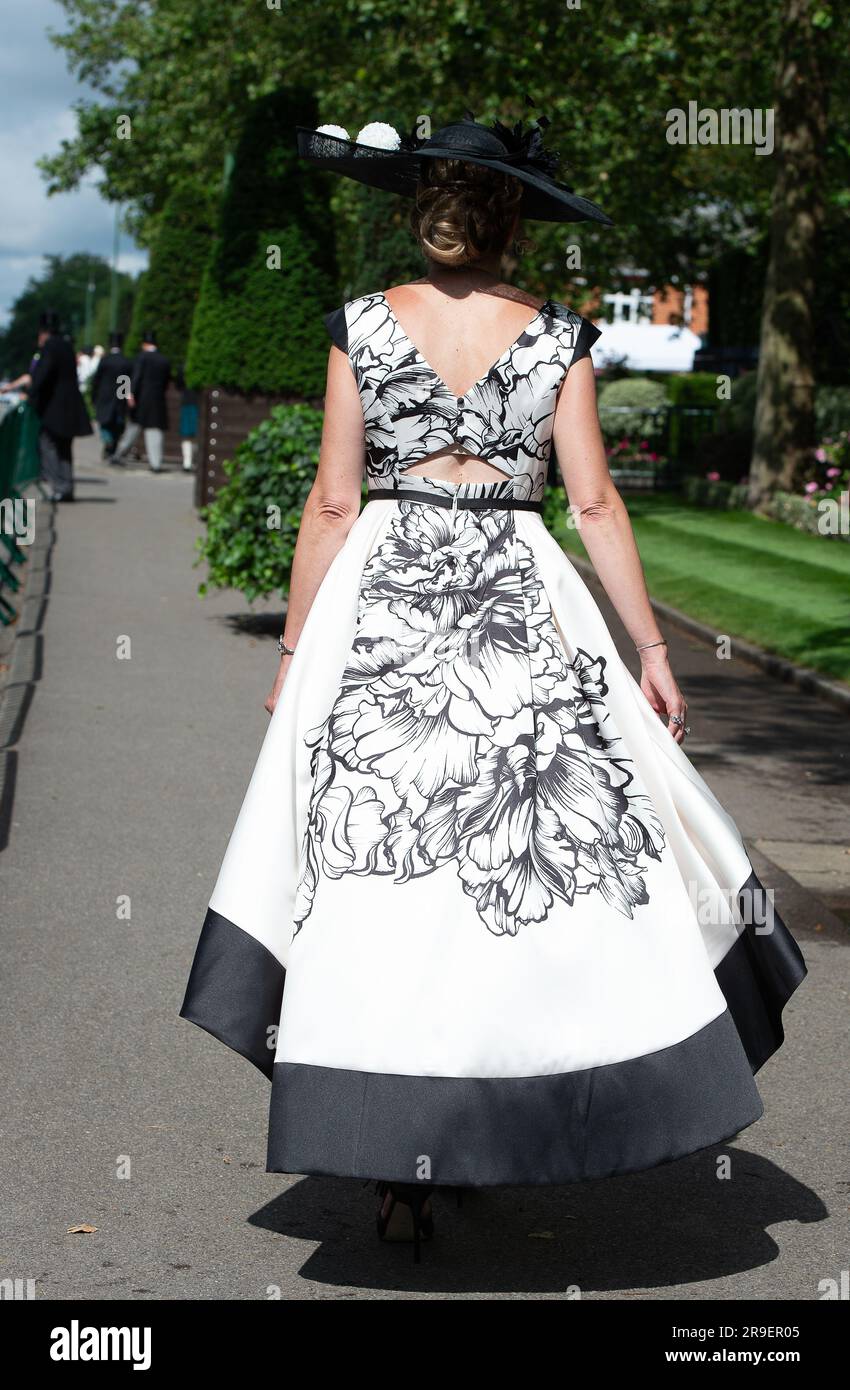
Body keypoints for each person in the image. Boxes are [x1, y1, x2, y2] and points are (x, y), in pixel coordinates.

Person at [180, 114, 807, 1261]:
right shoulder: (558, 333)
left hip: (388, 611)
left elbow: (329, 505)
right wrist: (651, 652)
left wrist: (292, 658)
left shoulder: (359, 326)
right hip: (523, 603)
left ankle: (394, 1148)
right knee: (538, 872)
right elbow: (595, 506)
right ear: (512, 214)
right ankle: (506, 1118)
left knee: (384, 877)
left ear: (419, 209)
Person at [27, 310, 93, 502]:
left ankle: (58, 486)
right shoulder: (66, 345)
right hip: (71, 404)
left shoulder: (49, 347)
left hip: (55, 405)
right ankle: (67, 486)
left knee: (47, 443)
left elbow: (43, 374)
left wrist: (31, 394)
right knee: (65, 447)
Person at [114, 330, 170, 471]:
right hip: (157, 400)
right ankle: (155, 463)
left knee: (133, 428)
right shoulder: (164, 360)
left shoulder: (141, 358)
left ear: (144, 344)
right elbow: (165, 383)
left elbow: (136, 377)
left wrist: (130, 394)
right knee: (155, 431)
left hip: (142, 399)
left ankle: (119, 454)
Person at [91, 332, 132, 461]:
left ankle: (107, 440)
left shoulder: (105, 361)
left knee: (104, 422)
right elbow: (126, 380)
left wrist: (94, 396)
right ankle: (112, 445)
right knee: (117, 424)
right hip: (119, 396)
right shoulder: (125, 362)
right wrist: (125, 396)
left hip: (104, 396)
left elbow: (96, 381)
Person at [175, 366, 199, 472]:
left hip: (187, 399)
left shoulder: (184, 366)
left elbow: (178, 385)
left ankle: (187, 462)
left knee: (187, 434)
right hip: (198, 401)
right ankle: (191, 461)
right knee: (194, 433)